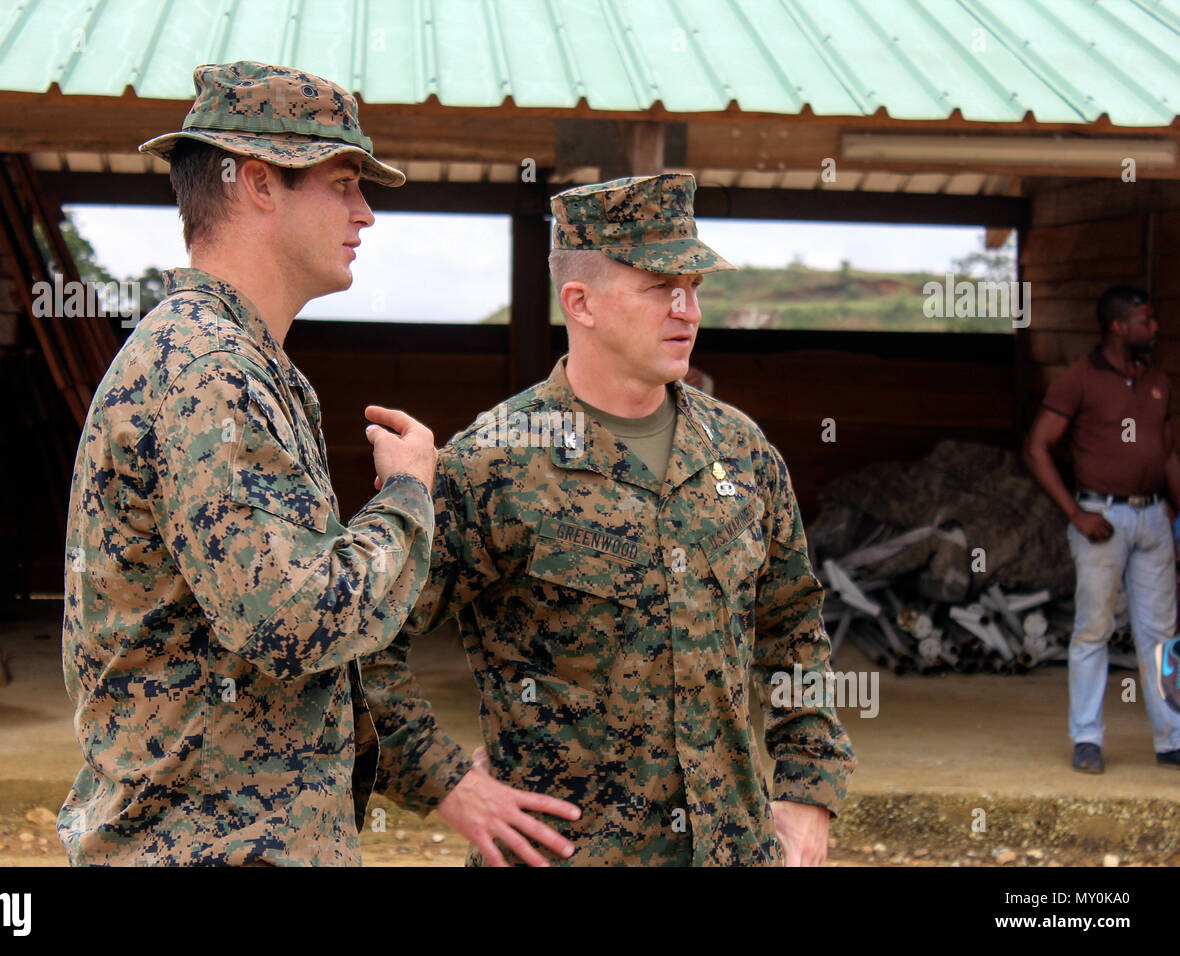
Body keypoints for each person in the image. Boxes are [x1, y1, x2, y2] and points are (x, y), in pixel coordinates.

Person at [362, 173, 857, 866]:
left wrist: (810, 788)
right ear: (581, 303)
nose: (686, 310)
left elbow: (793, 625)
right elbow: (358, 641)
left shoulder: (740, 450)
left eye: (694, 287)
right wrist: (445, 781)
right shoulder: (496, 463)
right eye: (659, 287)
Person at [59, 61, 438, 865]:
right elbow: (291, 621)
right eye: (342, 183)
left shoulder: (220, 356)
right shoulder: (211, 369)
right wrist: (408, 496)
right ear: (259, 183)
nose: (365, 213)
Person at [1024, 284, 1180, 774]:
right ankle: (1087, 738)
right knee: (1093, 629)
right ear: (1118, 326)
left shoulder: (1159, 380)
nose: (1155, 329)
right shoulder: (1080, 379)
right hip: (1102, 519)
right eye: (1146, 321)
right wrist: (1076, 513)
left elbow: (1170, 454)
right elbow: (1036, 448)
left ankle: (1172, 738)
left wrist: (1178, 516)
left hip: (1154, 517)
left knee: (1162, 635)